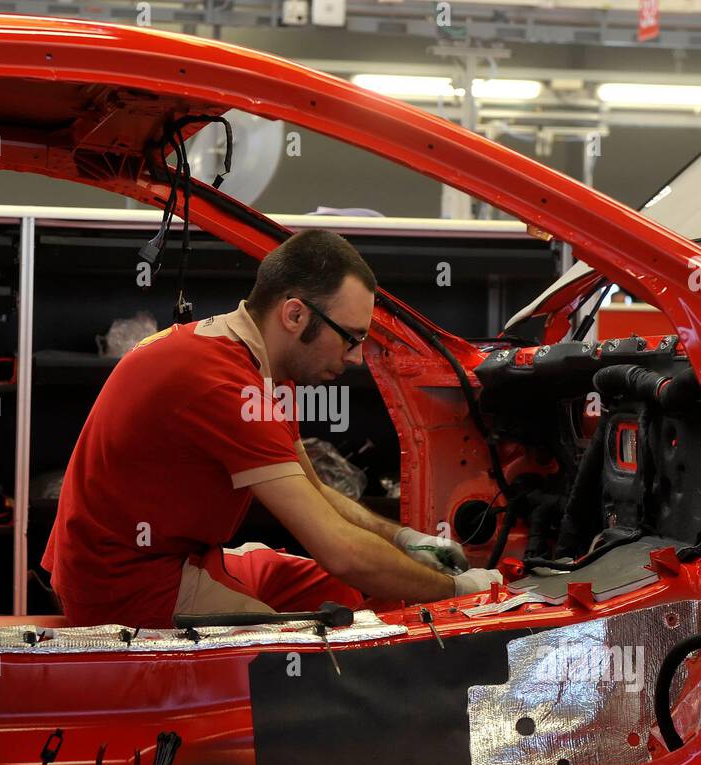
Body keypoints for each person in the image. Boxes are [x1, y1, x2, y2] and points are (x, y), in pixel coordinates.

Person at [41, 229, 502, 627]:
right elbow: (341, 550)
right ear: (295, 315)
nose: (357, 357)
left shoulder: (260, 367)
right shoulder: (222, 383)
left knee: (347, 596)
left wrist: (404, 539)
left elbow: (313, 488)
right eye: (351, 337)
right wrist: (454, 589)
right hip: (124, 582)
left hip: (181, 559)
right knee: (291, 659)